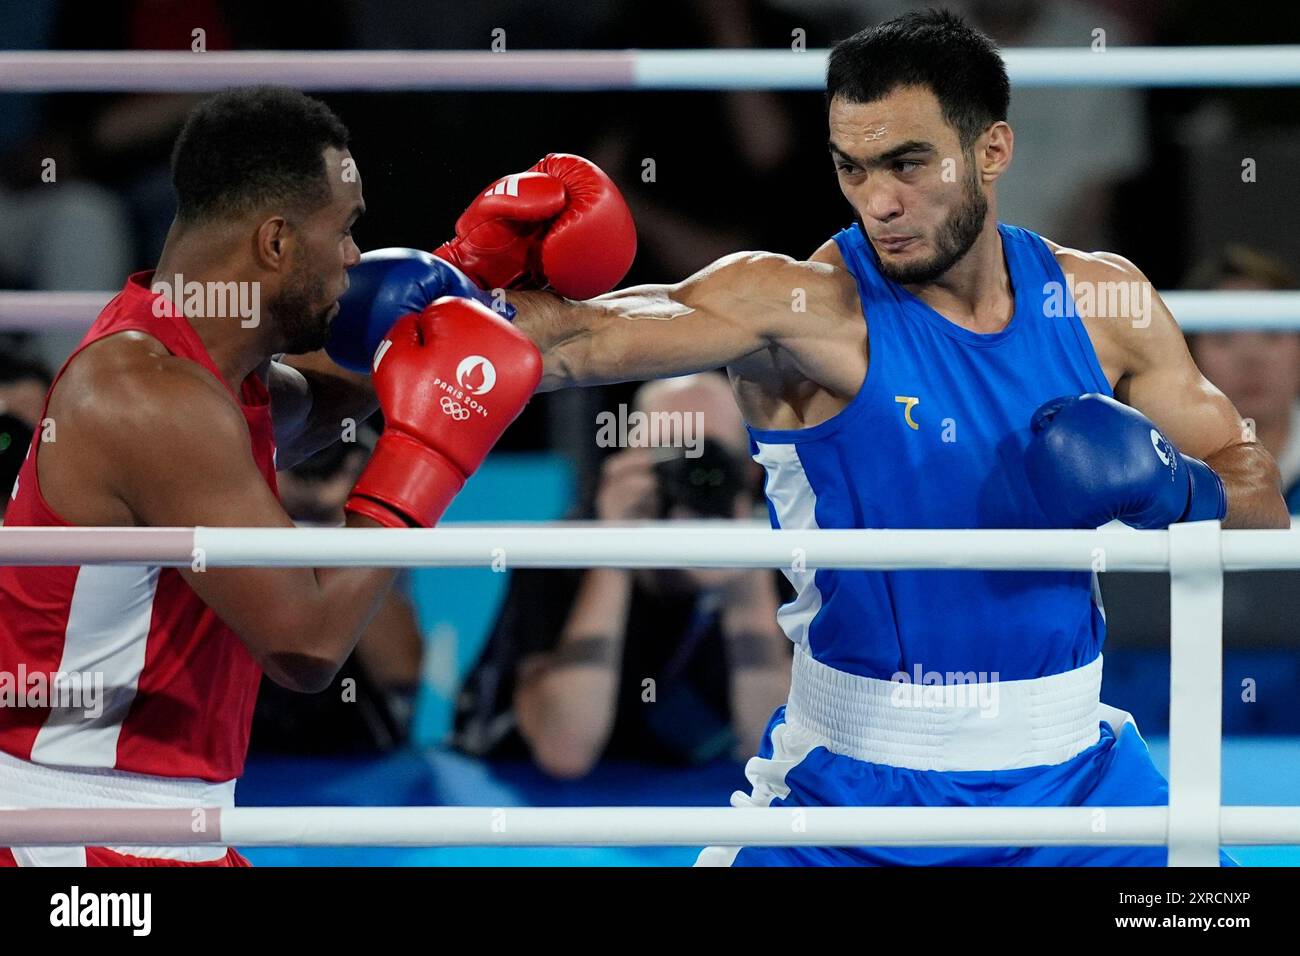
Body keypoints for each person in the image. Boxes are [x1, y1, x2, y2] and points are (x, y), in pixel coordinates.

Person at [329, 10, 1289, 865]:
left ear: (992, 150)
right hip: (850, 795)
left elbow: (1257, 496)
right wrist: (464, 280)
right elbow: (573, 343)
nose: (878, 202)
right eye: (852, 167)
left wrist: (1180, 493)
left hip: (1081, 787)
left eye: (908, 164)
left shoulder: (1103, 301)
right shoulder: (799, 306)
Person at [0, 85, 547, 867]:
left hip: (152, 824)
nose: (356, 257)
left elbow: (327, 398)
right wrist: (426, 452)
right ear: (277, 243)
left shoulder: (205, 370)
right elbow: (307, 645)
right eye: (347, 231)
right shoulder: (147, 397)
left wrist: (469, 283)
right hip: (76, 841)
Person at [455, 373, 791, 777]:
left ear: (751, 474)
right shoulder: (562, 554)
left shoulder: (778, 557)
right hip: (535, 802)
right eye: (676, 455)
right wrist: (614, 553)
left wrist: (747, 581)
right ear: (634, 462)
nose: (699, 473)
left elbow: (773, 751)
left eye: (716, 458)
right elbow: (564, 751)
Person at [1183, 245, 1300, 514]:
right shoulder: (1166, 469)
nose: (1251, 357)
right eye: (1223, 337)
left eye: (1272, 333)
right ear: (1188, 355)